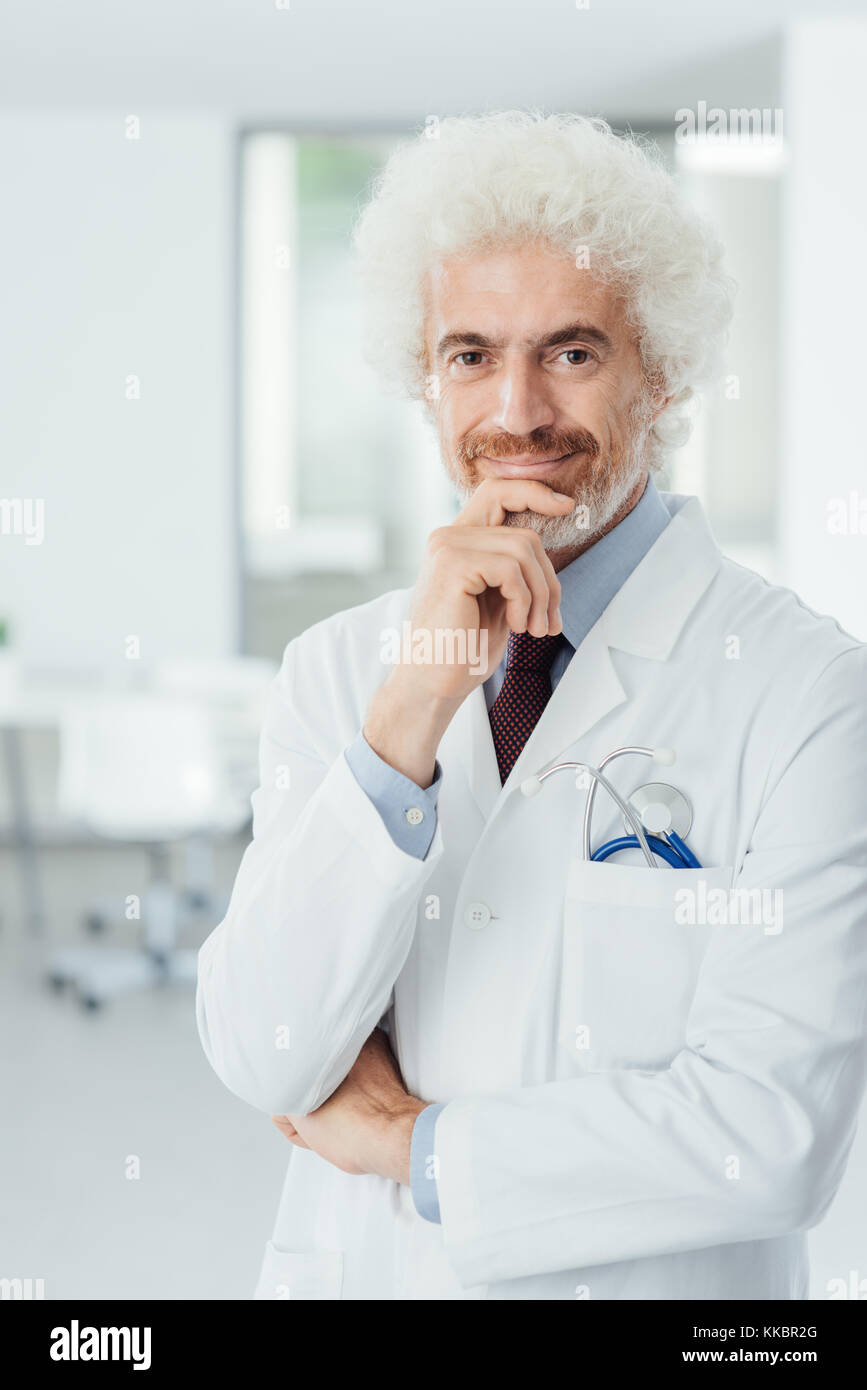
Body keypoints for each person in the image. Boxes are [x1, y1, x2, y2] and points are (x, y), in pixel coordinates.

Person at [196, 110, 867, 1300]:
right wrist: (411, 711)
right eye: (468, 354)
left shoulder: (808, 692)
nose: (515, 412)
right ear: (425, 378)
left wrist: (416, 1145)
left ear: (659, 370)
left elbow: (768, 1134)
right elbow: (263, 1048)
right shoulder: (340, 673)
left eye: (571, 351)